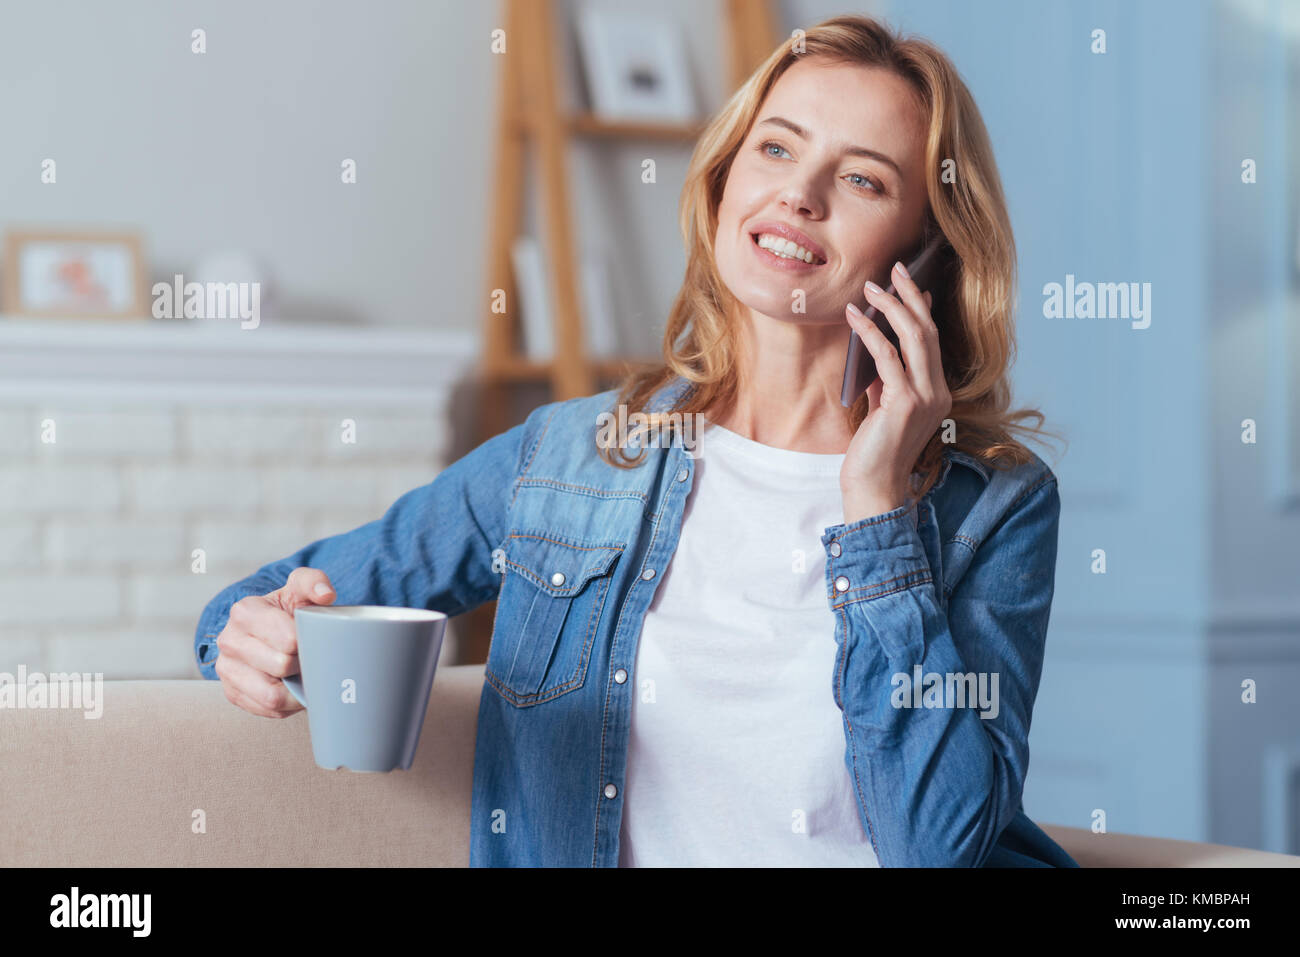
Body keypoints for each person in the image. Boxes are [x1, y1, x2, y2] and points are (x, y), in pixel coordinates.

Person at [195, 14, 1074, 867]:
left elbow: (938, 847)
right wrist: (252, 635)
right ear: (726, 179)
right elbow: (269, 601)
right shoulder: (570, 456)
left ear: (925, 252)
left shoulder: (993, 502)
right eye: (776, 148)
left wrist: (877, 507)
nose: (798, 195)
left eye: (864, 181)